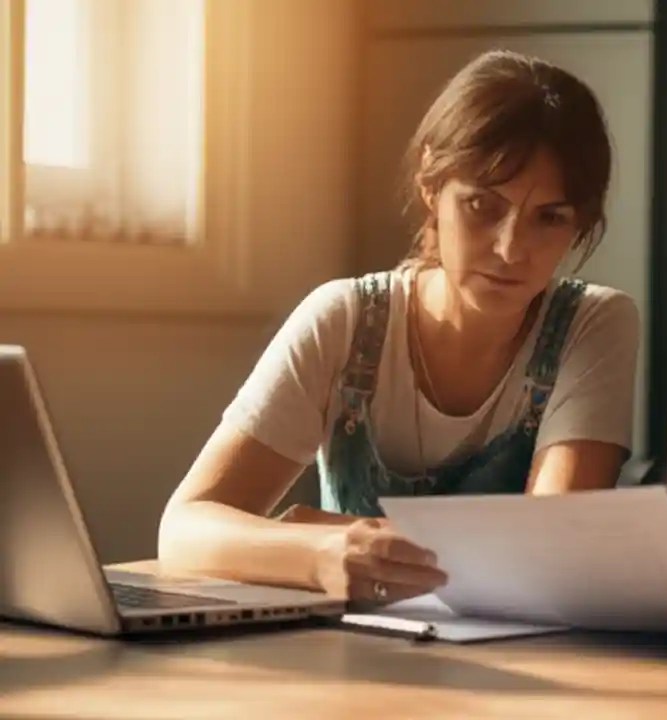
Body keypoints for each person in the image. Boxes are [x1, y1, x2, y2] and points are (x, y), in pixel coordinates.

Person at [158, 50, 640, 606]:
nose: (511, 249)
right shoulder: (343, 320)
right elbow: (183, 529)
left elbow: (549, 549)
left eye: (549, 218)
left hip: (519, 667)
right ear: (431, 186)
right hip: (352, 660)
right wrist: (319, 555)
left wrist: (319, 526)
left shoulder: (594, 324)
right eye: (483, 205)